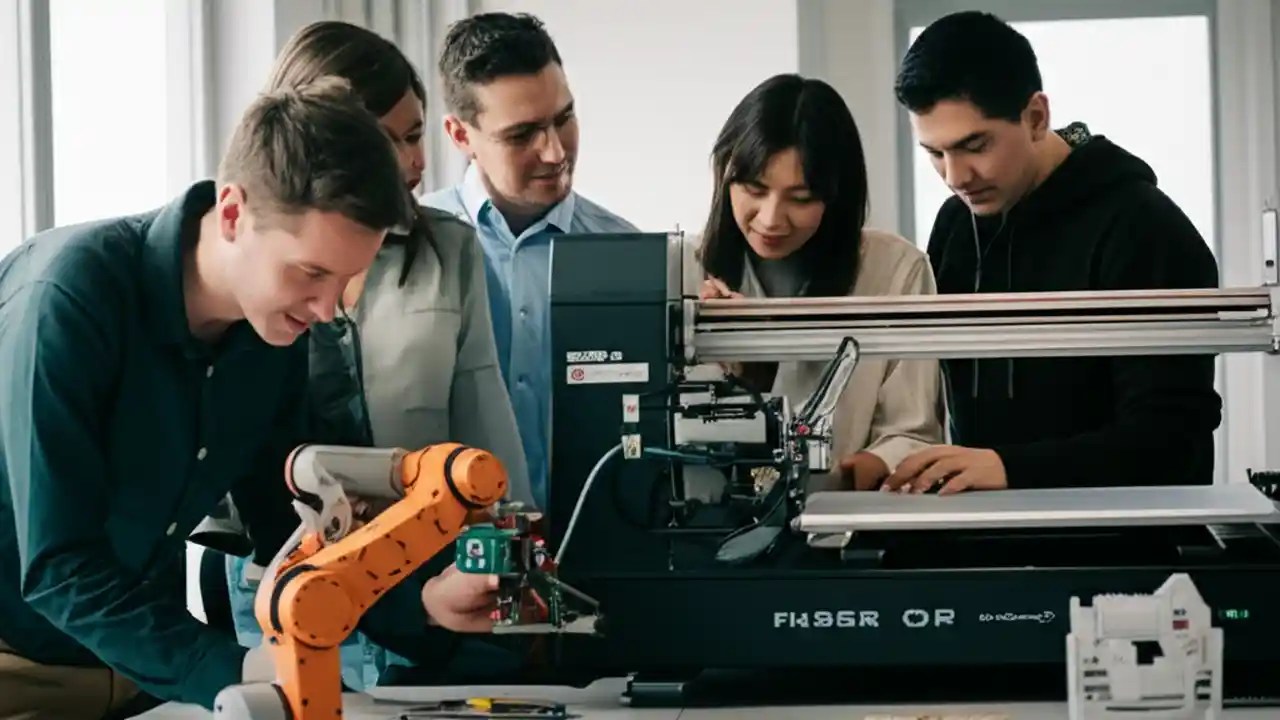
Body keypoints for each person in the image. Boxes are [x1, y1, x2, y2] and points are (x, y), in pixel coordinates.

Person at [0, 79, 412, 718]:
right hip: (16, 671)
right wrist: (234, 668)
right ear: (231, 213)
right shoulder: (68, 300)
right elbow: (58, 567)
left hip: (142, 676)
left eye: (347, 279)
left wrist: (425, 601)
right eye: (310, 273)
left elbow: (288, 521)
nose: (329, 310)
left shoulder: (274, 329)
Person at [222, 20, 533, 691]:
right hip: (282, 577)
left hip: (424, 575)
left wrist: (515, 548)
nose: (411, 162)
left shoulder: (447, 249)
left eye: (416, 133)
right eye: (386, 139)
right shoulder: (254, 268)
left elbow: (485, 417)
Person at [885, 11, 1222, 495]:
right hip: (987, 544)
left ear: (1036, 117)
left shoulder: (1145, 228)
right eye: (936, 153)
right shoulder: (956, 225)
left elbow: (1170, 442)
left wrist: (1011, 469)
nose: (955, 177)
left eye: (974, 145)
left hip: (1128, 548)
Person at [423, 12, 639, 509]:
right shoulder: (413, 246)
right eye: (522, 135)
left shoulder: (627, 254)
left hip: (596, 549)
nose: (554, 151)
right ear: (460, 135)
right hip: (443, 556)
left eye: (563, 119)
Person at [695, 73, 944, 493]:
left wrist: (840, 479)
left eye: (802, 198)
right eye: (754, 188)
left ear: (837, 196)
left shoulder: (896, 270)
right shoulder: (680, 268)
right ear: (724, 174)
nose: (772, 218)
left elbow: (912, 433)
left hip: (846, 537)